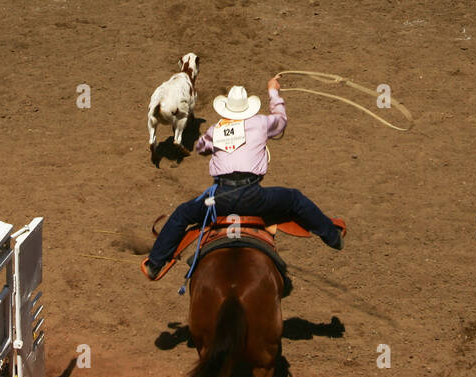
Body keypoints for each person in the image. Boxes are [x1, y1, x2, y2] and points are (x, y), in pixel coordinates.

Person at [143, 79, 344, 279]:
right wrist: (273, 92)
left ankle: (155, 263)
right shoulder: (260, 123)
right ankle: (332, 237)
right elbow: (281, 120)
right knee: (295, 199)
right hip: (253, 196)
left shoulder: (216, 129)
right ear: (248, 108)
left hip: (219, 198)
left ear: (227, 109)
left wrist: (215, 143)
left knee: (182, 214)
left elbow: (201, 146)